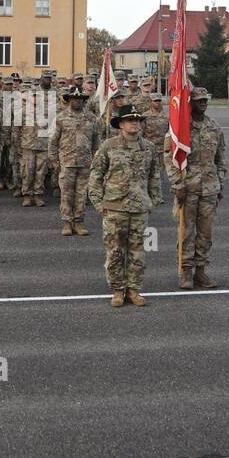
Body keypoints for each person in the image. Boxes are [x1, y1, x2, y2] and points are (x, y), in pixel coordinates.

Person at [89, 103, 161, 308]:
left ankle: (134, 289)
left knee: (138, 251)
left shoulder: (148, 147)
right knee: (115, 251)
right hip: (114, 207)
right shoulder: (108, 146)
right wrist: (98, 202)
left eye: (138, 120)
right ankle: (118, 290)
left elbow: (154, 175)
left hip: (139, 208)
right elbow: (95, 175)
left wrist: (153, 200)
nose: (135, 123)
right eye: (130, 120)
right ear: (120, 124)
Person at [167, 86, 226, 289]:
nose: (203, 103)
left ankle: (201, 271)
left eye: (205, 100)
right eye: (198, 100)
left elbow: (221, 158)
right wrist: (177, 184)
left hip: (210, 189)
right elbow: (170, 158)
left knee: (205, 233)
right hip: (188, 188)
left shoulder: (214, 127)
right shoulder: (180, 130)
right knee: (186, 232)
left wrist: (220, 183)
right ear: (189, 103)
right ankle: (186, 272)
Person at [48, 87, 101, 235]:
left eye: (79, 99)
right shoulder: (60, 118)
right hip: (67, 162)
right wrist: (54, 161)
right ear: (69, 100)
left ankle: (78, 222)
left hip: (85, 163)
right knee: (66, 194)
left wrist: (96, 160)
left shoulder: (91, 118)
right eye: (73, 98)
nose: (77, 101)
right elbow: (53, 141)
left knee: (81, 194)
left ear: (84, 101)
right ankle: (66, 223)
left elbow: (96, 142)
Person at [141, 92, 171, 196]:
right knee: (147, 170)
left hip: (162, 148)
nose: (157, 103)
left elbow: (169, 132)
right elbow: (141, 133)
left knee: (160, 172)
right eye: (155, 101)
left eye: (159, 101)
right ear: (151, 102)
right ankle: (146, 191)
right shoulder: (145, 116)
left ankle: (157, 193)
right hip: (148, 148)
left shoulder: (166, 116)